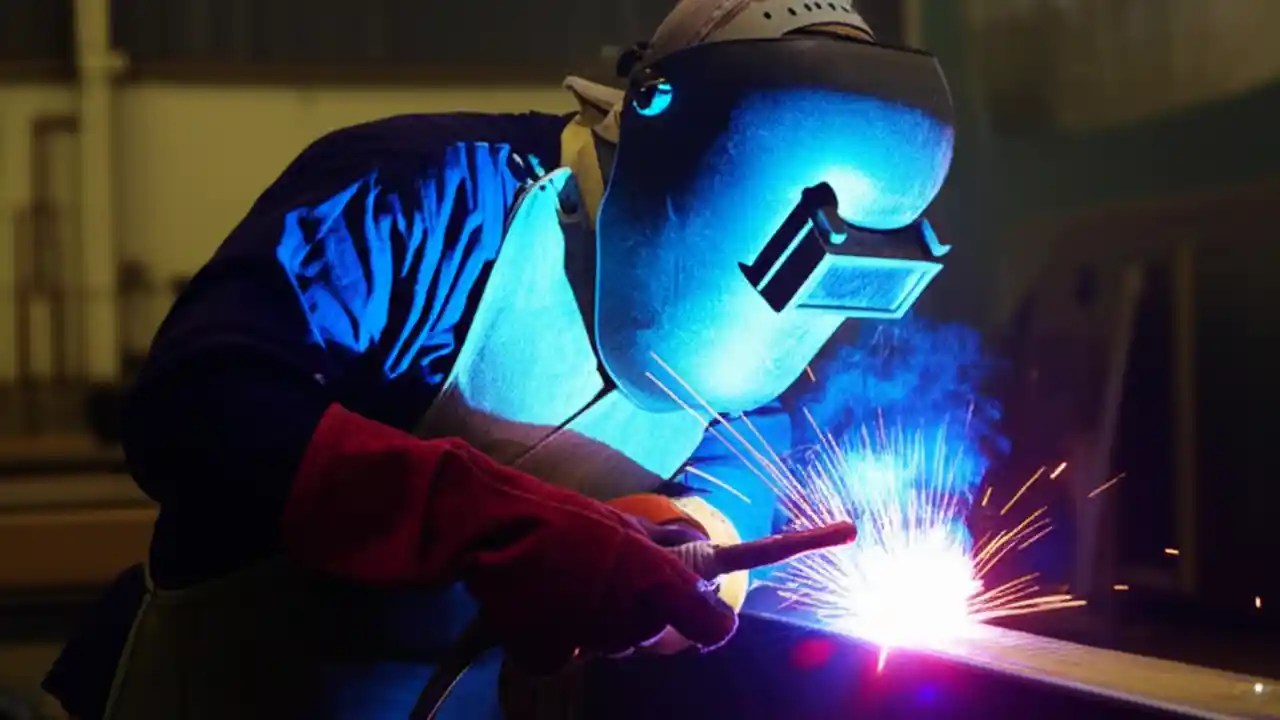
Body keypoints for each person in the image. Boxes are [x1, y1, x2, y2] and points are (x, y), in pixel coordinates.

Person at [44, 0, 957, 717]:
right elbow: (196, 412)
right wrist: (485, 518)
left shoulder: (757, 341)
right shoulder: (422, 200)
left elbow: (742, 466)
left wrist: (690, 541)